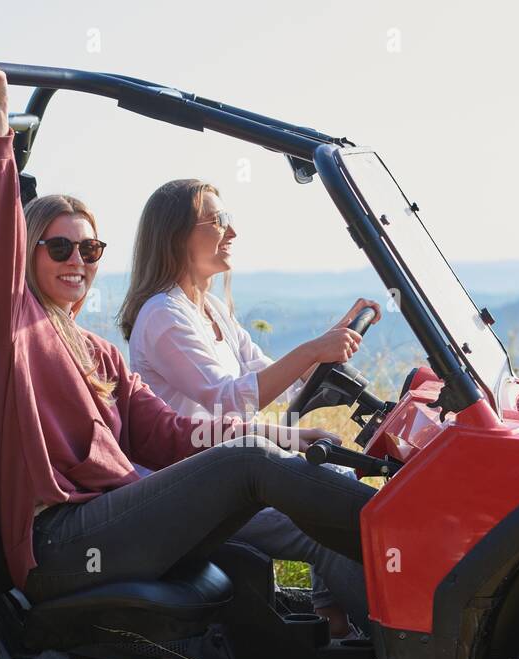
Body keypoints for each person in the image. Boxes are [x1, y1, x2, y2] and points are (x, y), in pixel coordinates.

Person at [0, 25, 376, 607]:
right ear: (29, 253)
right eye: (59, 248)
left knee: (250, 461)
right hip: (62, 538)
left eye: (89, 250)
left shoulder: (100, 354)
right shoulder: (12, 325)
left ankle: (382, 609)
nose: (77, 261)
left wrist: (283, 439)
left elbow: (172, 435)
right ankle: (396, 529)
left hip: (123, 513)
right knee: (247, 465)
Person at [121, 179, 380, 635]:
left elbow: (267, 377)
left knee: (336, 481)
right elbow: (227, 397)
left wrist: (325, 349)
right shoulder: (163, 316)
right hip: (191, 492)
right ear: (177, 235)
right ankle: (392, 642)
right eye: (218, 221)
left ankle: (333, 623)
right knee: (325, 521)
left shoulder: (211, 310)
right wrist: (311, 350)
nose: (231, 233)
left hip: (229, 472)